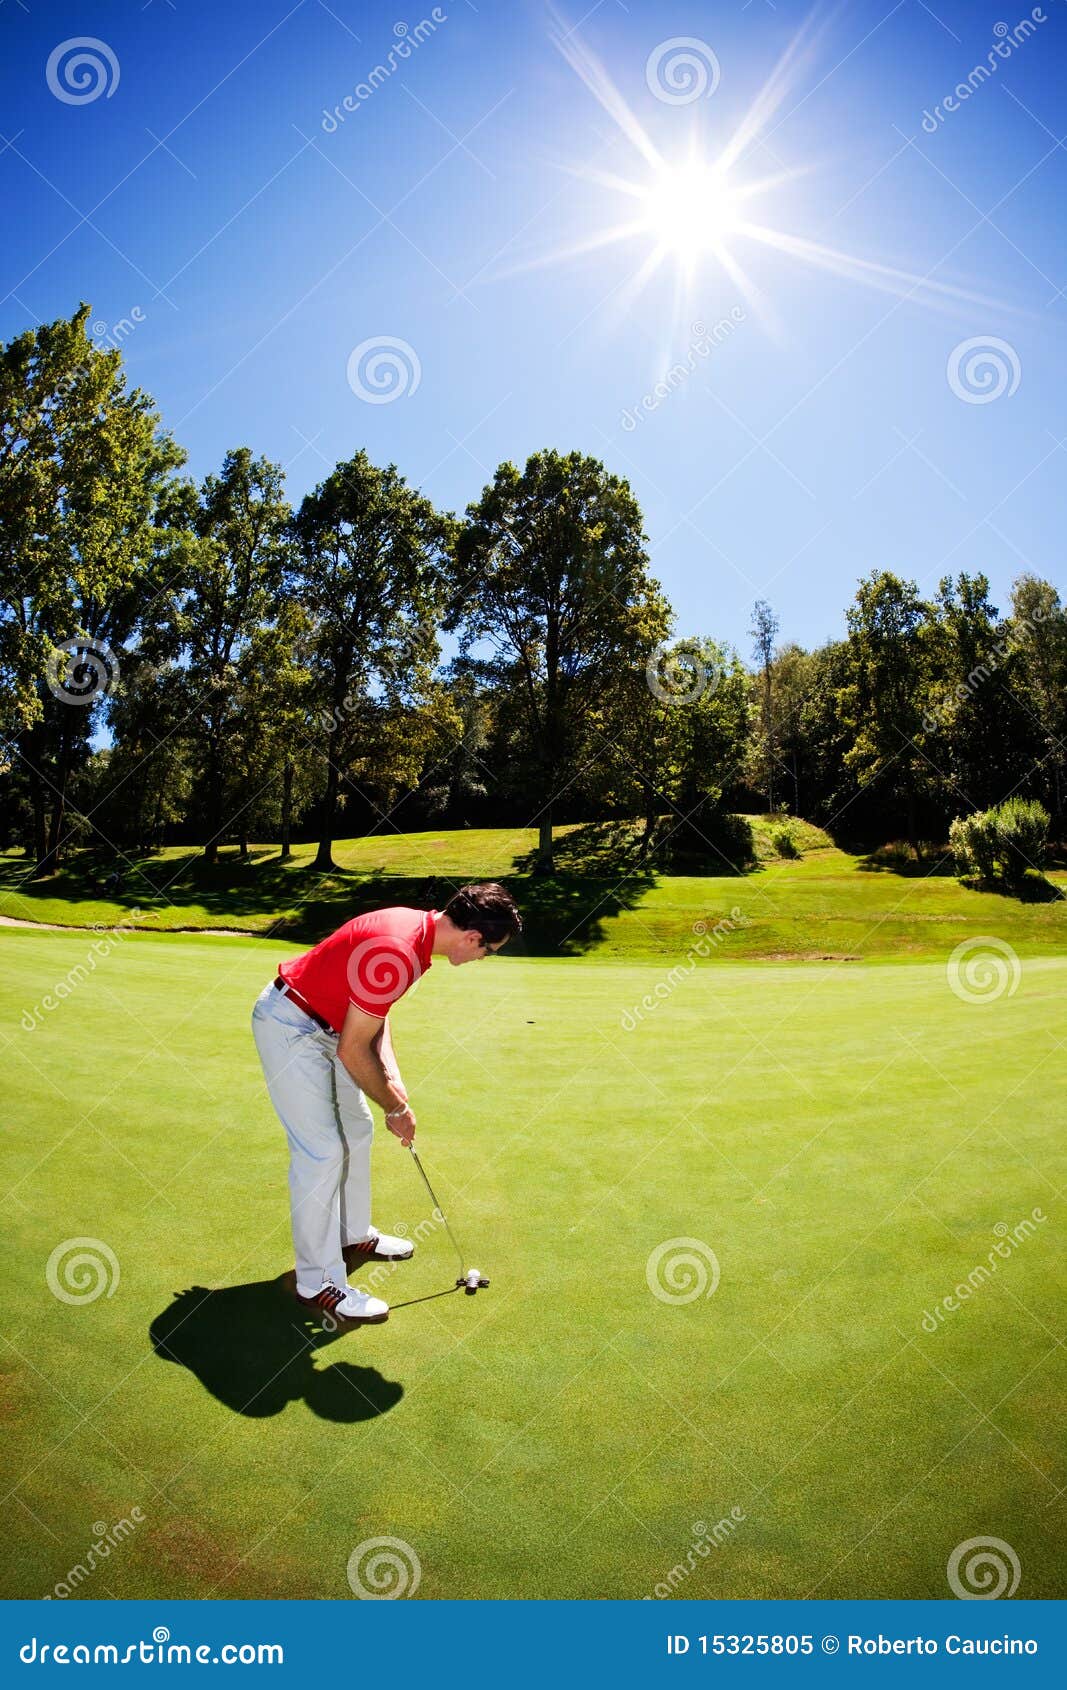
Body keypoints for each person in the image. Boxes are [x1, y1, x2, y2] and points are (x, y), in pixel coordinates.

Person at [252, 882, 522, 1326]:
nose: (483, 958)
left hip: (328, 1026)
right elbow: (353, 1050)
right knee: (322, 1152)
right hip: (291, 1025)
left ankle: (352, 1234)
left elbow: (376, 1013)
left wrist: (392, 1077)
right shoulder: (399, 948)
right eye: (489, 950)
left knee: (356, 1129)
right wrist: (395, 1106)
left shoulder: (418, 938)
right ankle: (317, 1281)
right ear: (473, 938)